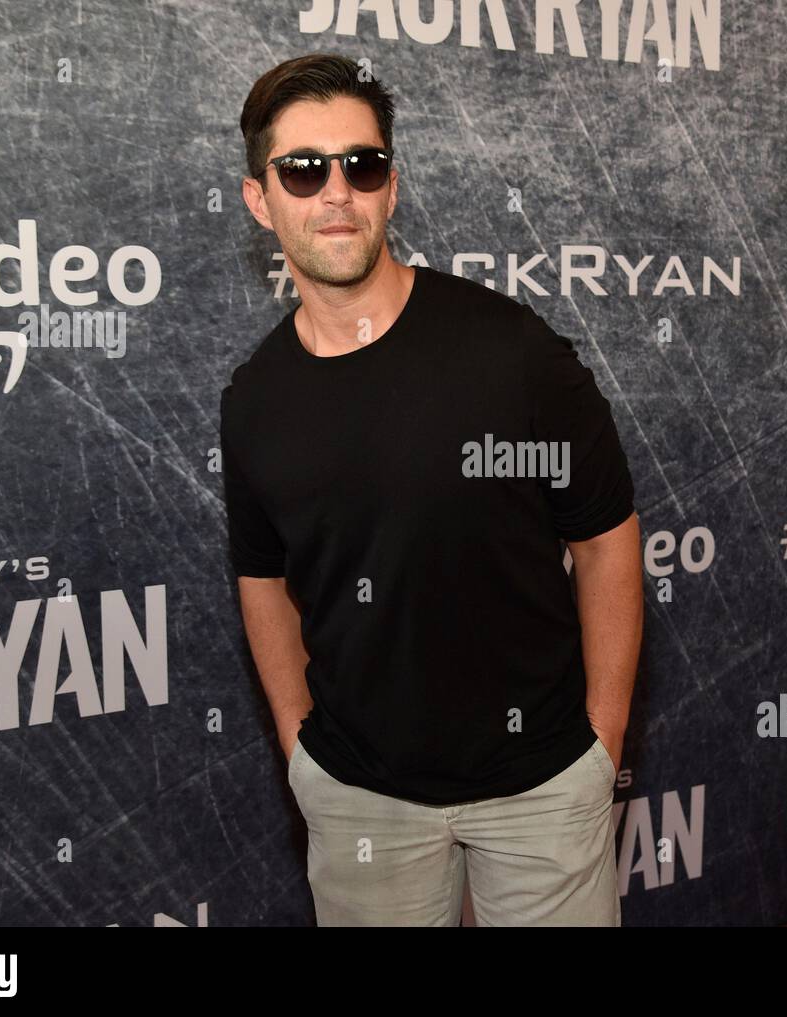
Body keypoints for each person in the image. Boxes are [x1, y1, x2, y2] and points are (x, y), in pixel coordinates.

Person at [221, 52, 643, 926]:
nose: (335, 190)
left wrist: (600, 746)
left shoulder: (513, 353)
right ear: (260, 199)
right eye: (303, 170)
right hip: (360, 801)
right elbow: (262, 578)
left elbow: (606, 539)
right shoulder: (255, 400)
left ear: (391, 187)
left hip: (543, 790)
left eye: (360, 164)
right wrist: (302, 748)